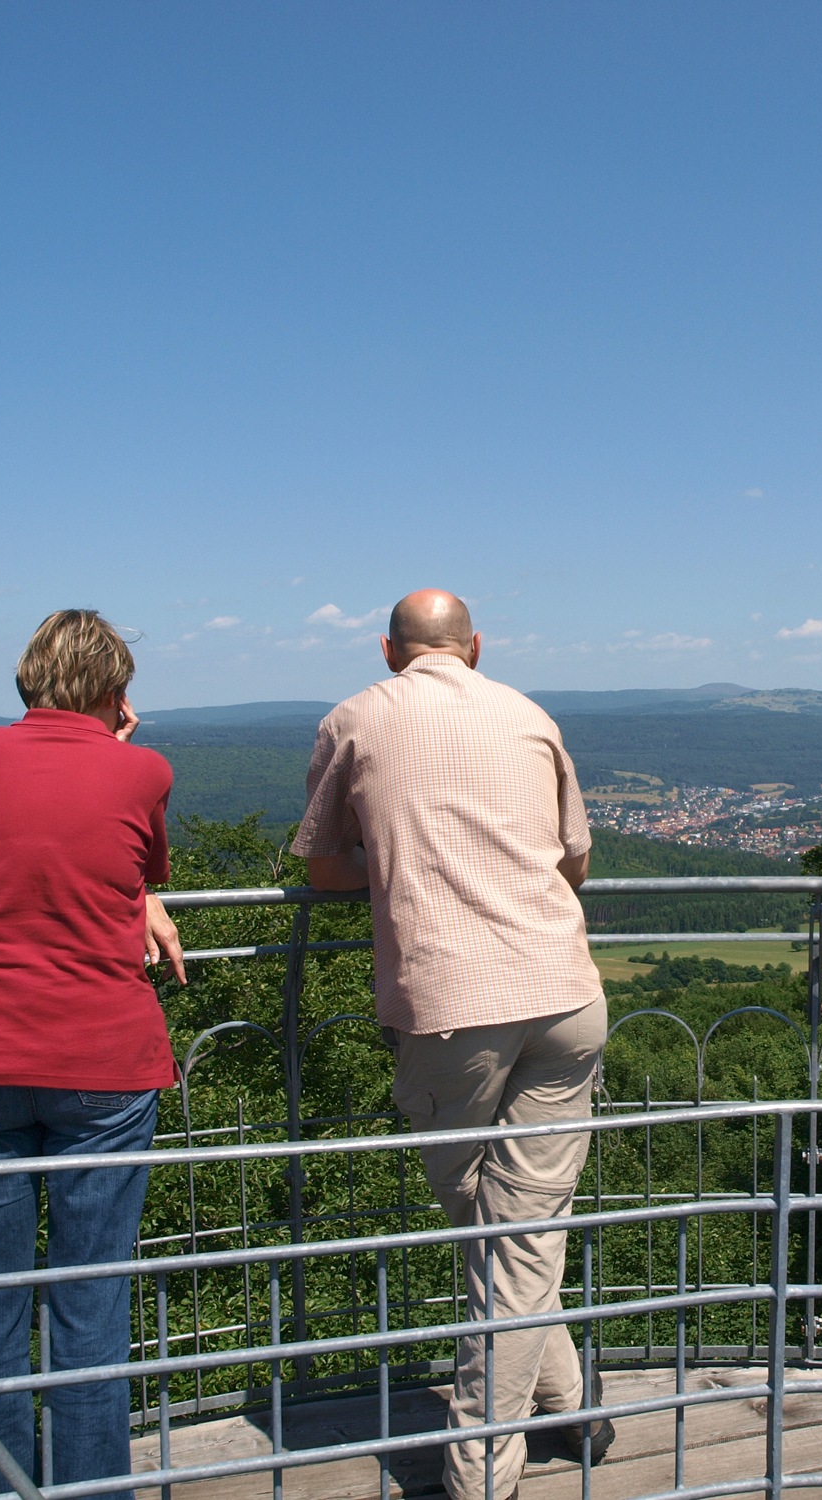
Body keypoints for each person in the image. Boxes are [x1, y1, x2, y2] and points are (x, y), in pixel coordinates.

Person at [294, 589, 611, 1500]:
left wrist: (396, 860)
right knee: (520, 1234)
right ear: (474, 647)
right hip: (566, 994)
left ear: (389, 650)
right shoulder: (529, 713)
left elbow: (322, 866)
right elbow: (574, 859)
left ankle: (481, 1474)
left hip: (451, 1007)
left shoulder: (354, 718)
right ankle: (569, 1399)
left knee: (498, 1232)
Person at [0, 609, 186, 1500]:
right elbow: (137, 863)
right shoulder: (142, 766)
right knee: (90, 1303)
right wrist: (118, 741)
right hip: (103, 1058)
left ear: (28, 680)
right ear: (117, 693)